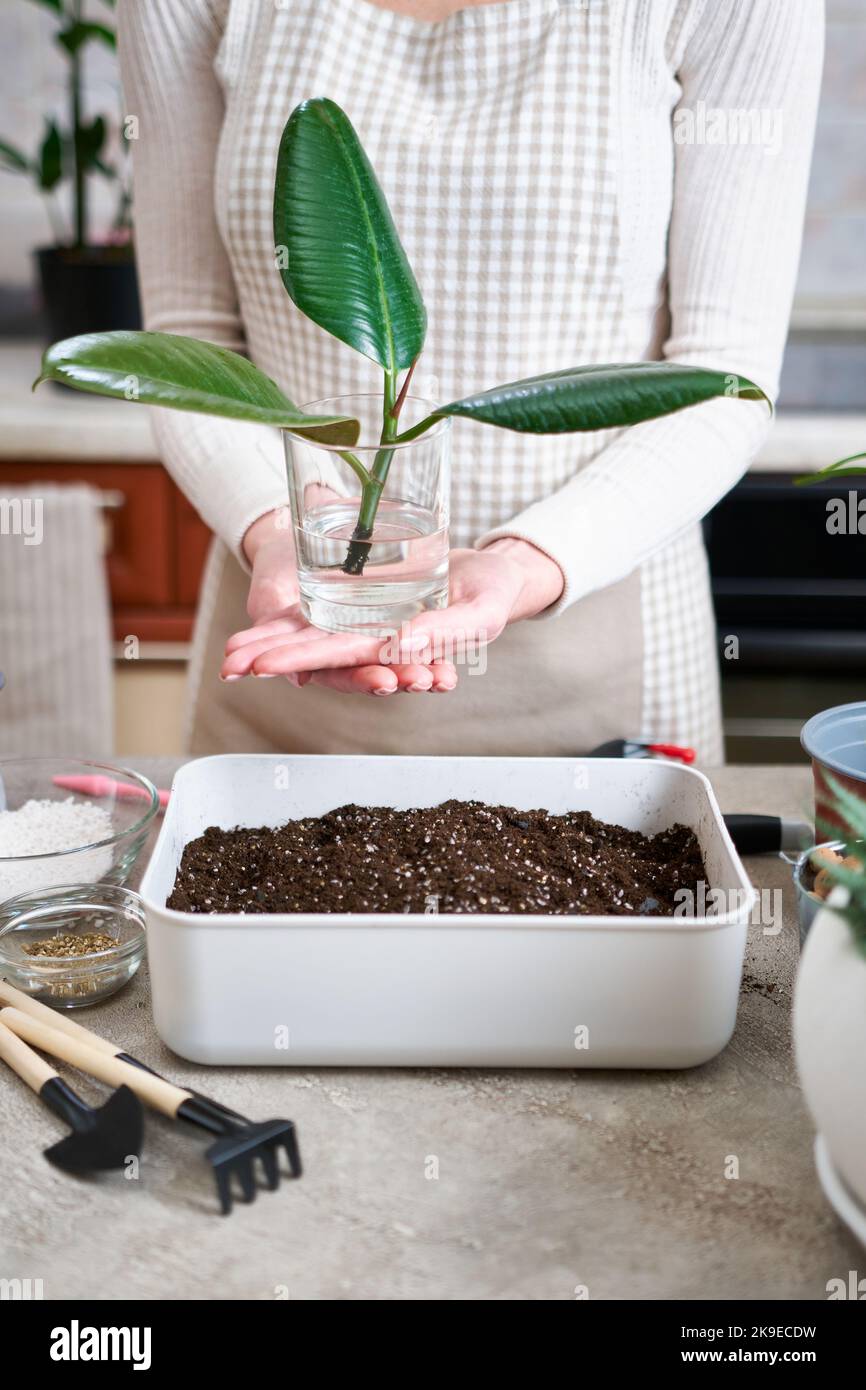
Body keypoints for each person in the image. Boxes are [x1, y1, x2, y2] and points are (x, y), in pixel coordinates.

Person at [118, 0, 823, 760]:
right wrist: (279, 533)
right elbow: (186, 345)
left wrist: (524, 565)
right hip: (291, 644)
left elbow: (724, 379)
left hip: (601, 681)